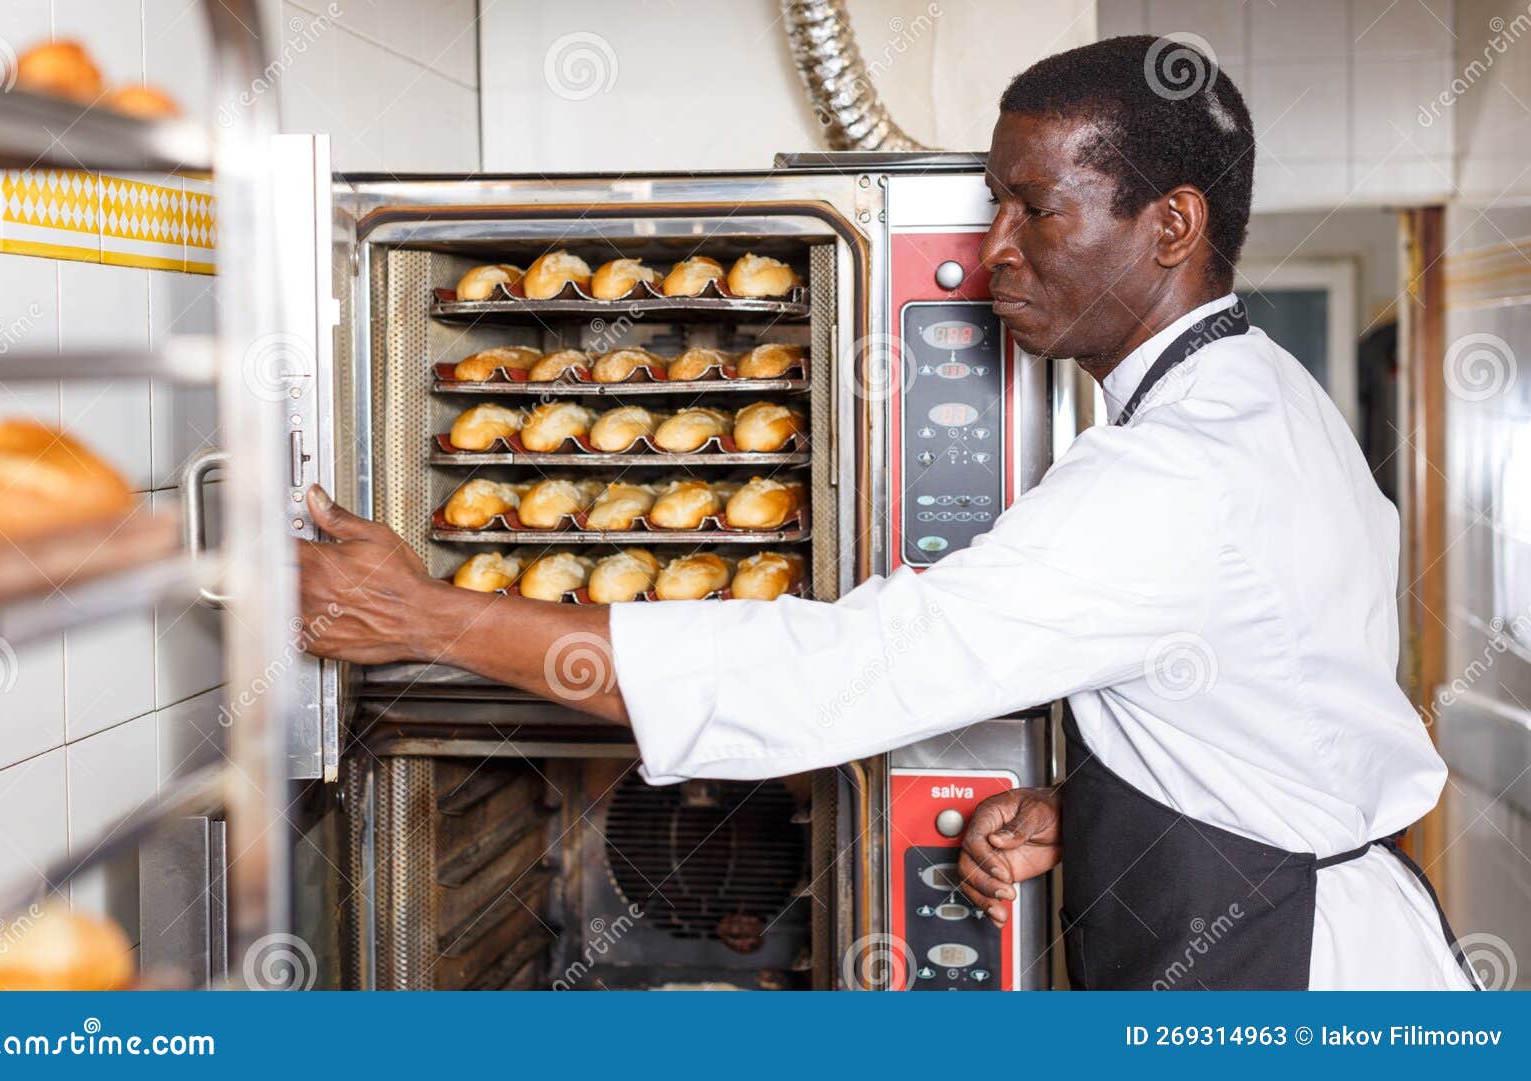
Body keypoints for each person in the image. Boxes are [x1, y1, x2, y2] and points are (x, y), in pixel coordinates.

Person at [297, 36, 1475, 990]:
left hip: (1294, 979)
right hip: (1301, 912)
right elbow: (1287, 698)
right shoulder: (1264, 395)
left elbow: (836, 673)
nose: (991, 251)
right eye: (989, 208)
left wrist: (432, 618)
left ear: (1168, 226)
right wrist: (1115, 815)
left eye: (1033, 210)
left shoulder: (1173, 472)